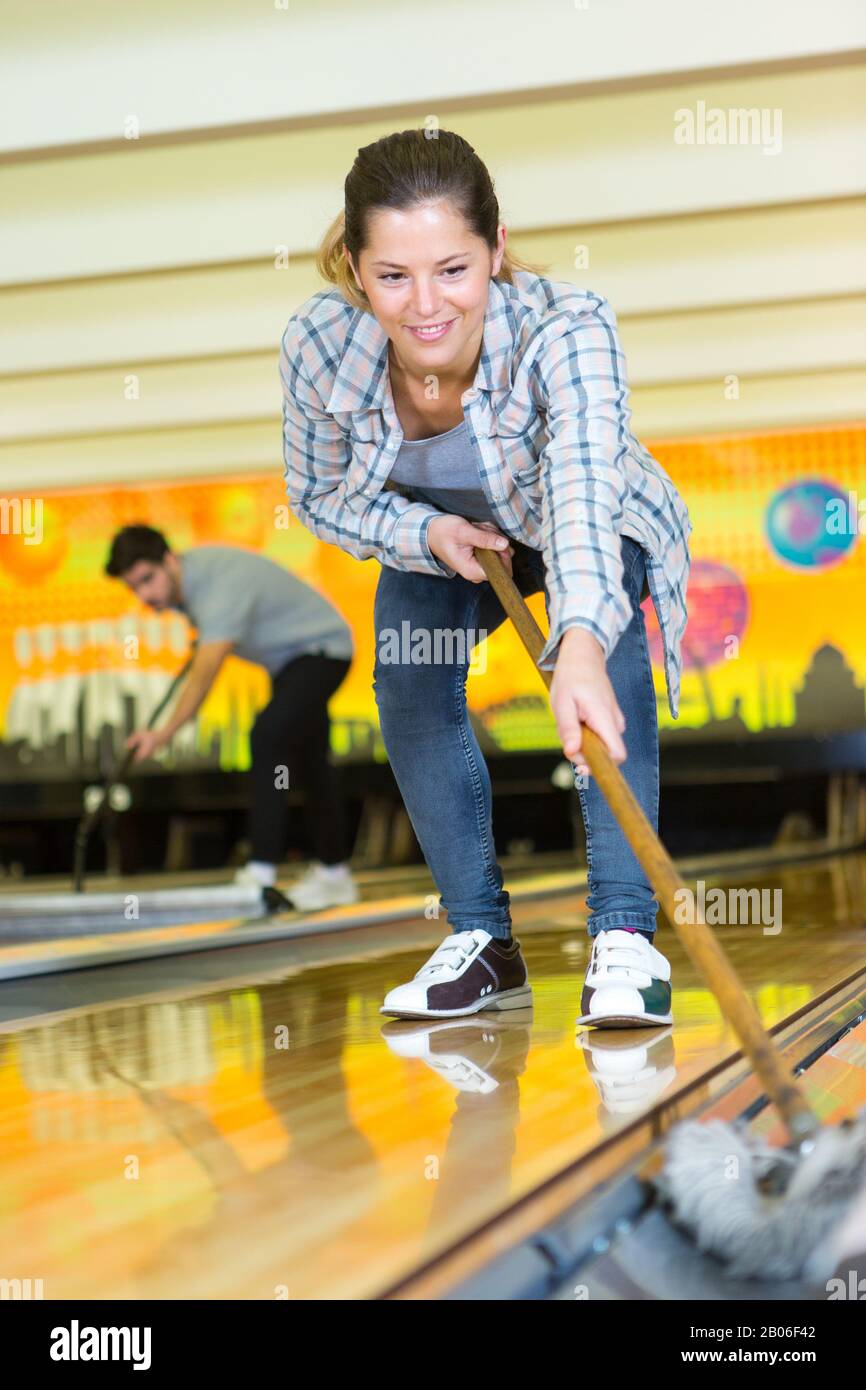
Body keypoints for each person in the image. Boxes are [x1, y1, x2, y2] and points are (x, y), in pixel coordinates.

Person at [279, 128, 692, 1026]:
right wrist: (426, 531)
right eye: (393, 276)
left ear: (496, 251)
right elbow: (314, 495)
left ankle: (624, 934)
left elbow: (585, 486)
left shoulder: (567, 325)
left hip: (574, 518)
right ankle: (483, 943)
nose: (426, 306)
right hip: (446, 538)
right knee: (411, 682)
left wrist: (578, 638)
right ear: (355, 266)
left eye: (454, 270)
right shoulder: (318, 344)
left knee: (607, 661)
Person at [104, 526, 359, 911]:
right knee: (310, 764)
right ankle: (335, 875)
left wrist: (162, 733)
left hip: (321, 653)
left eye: (147, 580)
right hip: (295, 662)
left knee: (268, 737)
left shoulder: (216, 586)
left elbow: (205, 672)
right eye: (134, 588)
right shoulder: (191, 585)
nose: (144, 596)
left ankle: (260, 872)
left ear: (170, 561)